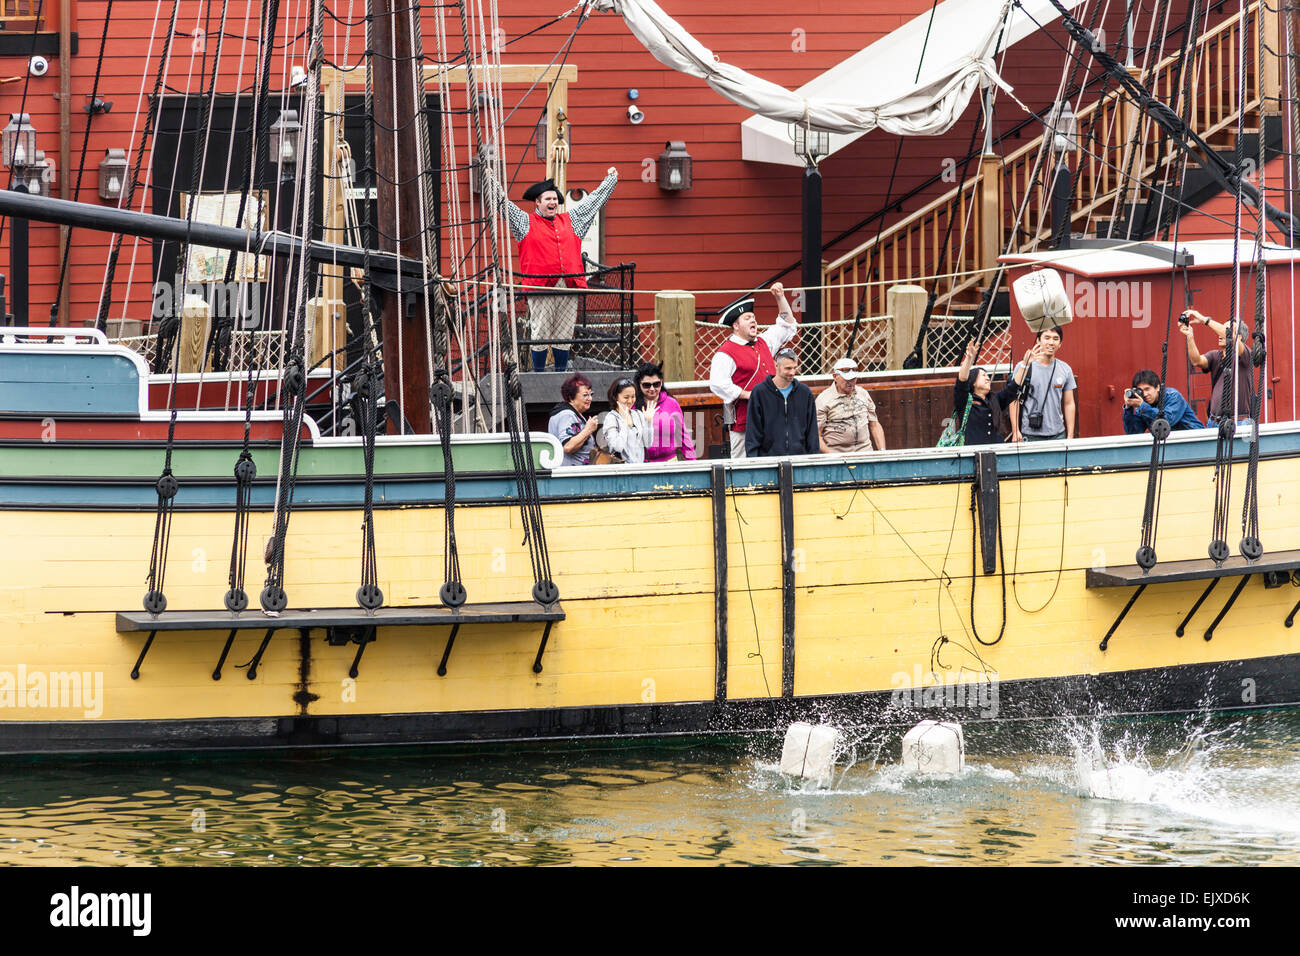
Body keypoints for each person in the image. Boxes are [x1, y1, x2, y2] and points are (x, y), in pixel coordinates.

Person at [480, 168, 618, 372]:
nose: (552, 202)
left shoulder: (573, 220)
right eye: (547, 199)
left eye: (554, 198)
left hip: (569, 285)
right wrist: (490, 179)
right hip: (541, 286)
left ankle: (560, 373)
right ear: (538, 202)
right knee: (540, 331)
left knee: (565, 332)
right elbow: (503, 205)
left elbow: (594, 201)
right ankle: (538, 374)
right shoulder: (525, 222)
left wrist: (611, 180)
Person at [708, 283, 797, 458]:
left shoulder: (764, 341)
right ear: (736, 325)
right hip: (744, 421)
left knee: (775, 462)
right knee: (743, 467)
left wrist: (780, 297)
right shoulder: (725, 353)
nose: (754, 321)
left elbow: (787, 325)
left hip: (772, 417)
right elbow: (717, 383)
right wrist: (747, 394)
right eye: (748, 318)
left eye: (754, 317)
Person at [1181, 309, 1255, 424]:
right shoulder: (1215, 355)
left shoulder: (1245, 355)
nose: (1220, 334)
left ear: (1239, 338)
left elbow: (1230, 336)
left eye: (1225, 330)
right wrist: (1190, 337)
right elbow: (1196, 361)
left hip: (1238, 422)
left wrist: (1204, 319)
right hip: (1213, 421)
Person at [955, 340, 1034, 446]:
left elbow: (1014, 387)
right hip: (972, 455)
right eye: (983, 376)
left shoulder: (995, 399)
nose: (988, 378)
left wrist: (1025, 365)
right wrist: (969, 357)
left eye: (987, 376)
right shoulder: (965, 401)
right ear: (973, 382)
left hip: (997, 453)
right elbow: (962, 380)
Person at [745, 348, 818, 457]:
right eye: (788, 368)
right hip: (768, 461)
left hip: (800, 459)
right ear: (776, 366)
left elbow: (812, 431)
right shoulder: (759, 392)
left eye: (794, 368)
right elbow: (753, 431)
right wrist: (753, 461)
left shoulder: (804, 392)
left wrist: (814, 458)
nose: (792, 372)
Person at [1008, 326, 1076, 441]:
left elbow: (1069, 403)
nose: (1051, 342)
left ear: (1060, 344)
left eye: (1055, 339)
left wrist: (1070, 435)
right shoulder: (1024, 366)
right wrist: (1015, 431)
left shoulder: (1065, 369)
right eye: (1047, 338)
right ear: (1038, 341)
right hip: (1029, 434)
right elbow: (1013, 400)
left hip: (1058, 434)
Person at [816, 357, 886, 454]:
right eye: (847, 379)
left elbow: (874, 425)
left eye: (853, 378)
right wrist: (833, 456)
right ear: (835, 376)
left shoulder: (863, 394)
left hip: (865, 453)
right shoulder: (823, 400)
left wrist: (882, 451)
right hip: (838, 455)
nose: (851, 382)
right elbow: (816, 435)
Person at [635, 362, 697, 462]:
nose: (652, 389)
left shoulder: (672, 403)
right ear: (639, 384)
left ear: (661, 382)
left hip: (670, 463)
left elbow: (683, 437)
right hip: (642, 464)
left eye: (656, 384)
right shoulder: (633, 406)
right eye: (646, 385)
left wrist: (693, 463)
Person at [1122, 369, 1205, 434]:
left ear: (1157, 387)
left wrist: (1142, 406)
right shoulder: (1141, 405)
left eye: (1147, 389)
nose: (1145, 394)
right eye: (1141, 391)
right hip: (1169, 445)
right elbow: (1134, 432)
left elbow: (1166, 421)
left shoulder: (1173, 396)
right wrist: (1128, 408)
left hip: (1194, 439)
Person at [546, 373, 599, 466]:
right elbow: (567, 446)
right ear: (571, 397)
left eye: (591, 394)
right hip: (572, 474)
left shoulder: (574, 413)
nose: (590, 398)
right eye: (585, 395)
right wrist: (588, 430)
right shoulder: (566, 415)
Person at [598, 377, 652, 464]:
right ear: (616, 397)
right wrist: (624, 424)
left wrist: (649, 422)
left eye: (633, 396)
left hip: (639, 469)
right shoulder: (611, 418)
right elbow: (617, 447)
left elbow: (648, 444)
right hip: (621, 471)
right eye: (626, 397)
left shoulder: (637, 414)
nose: (630, 401)